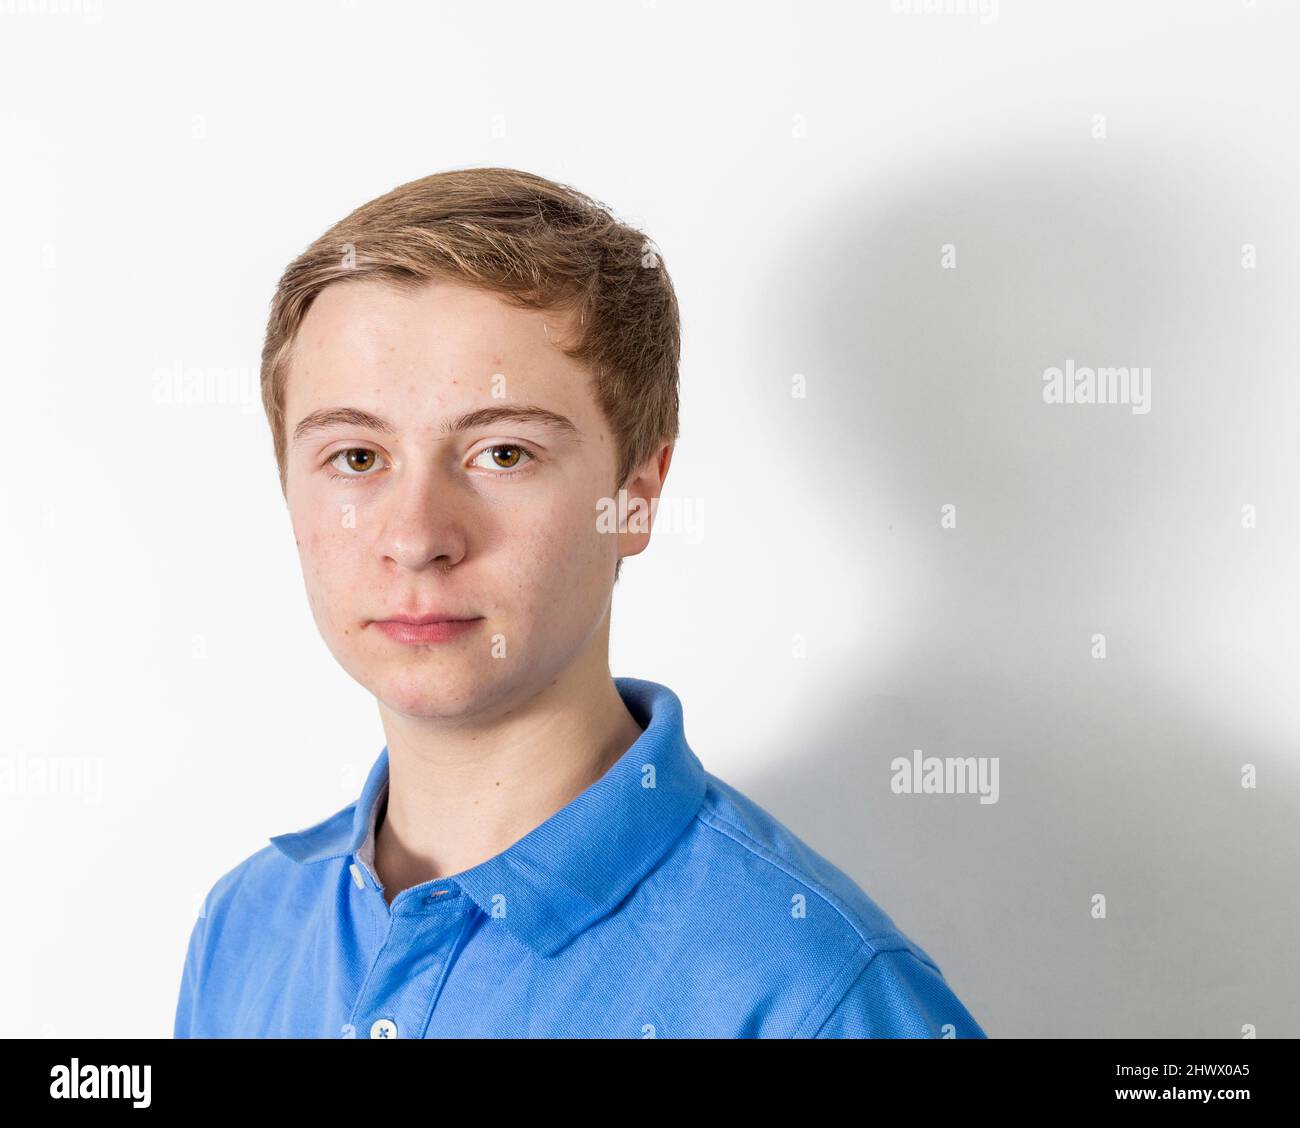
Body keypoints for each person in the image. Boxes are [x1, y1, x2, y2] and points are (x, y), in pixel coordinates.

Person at [173, 167, 986, 1038]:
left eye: (504, 454)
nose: (417, 537)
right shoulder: (247, 927)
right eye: (358, 458)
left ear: (636, 495)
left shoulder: (813, 993)